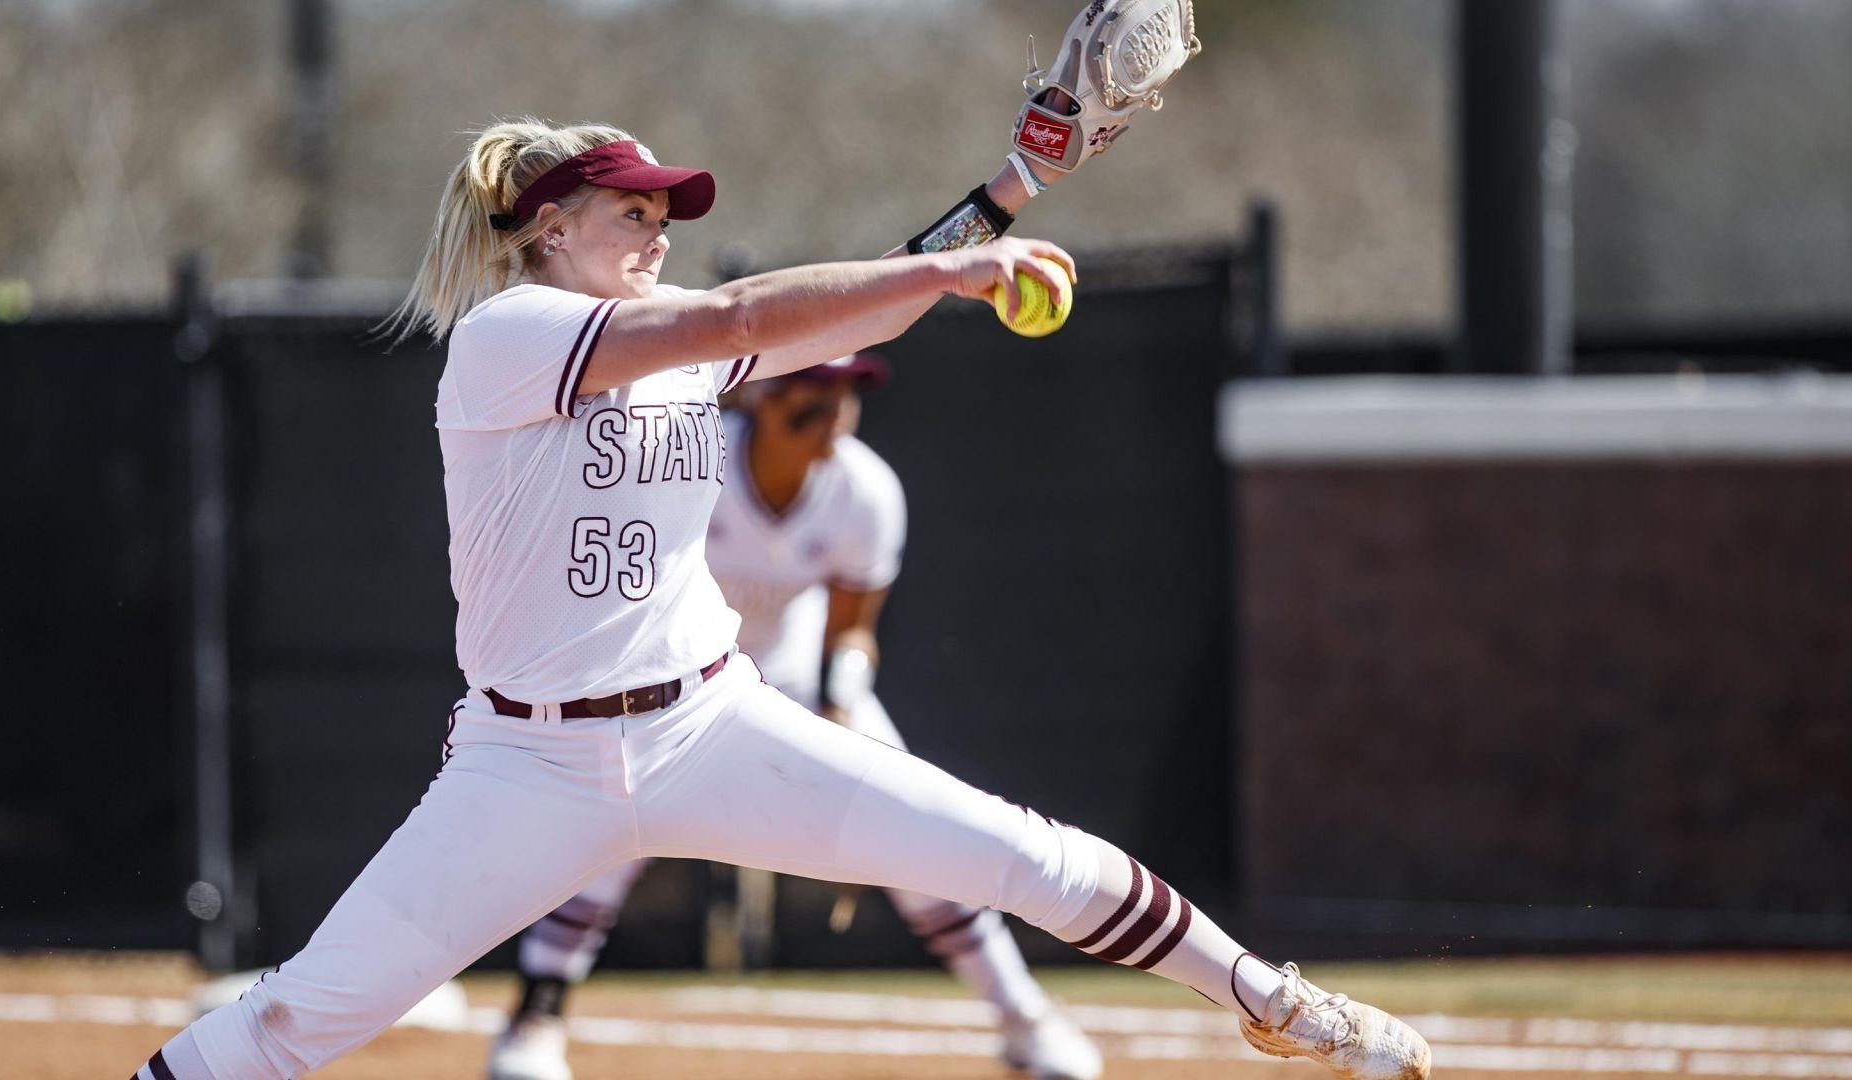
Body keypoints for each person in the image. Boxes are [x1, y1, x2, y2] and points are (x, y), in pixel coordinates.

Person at [131, 116, 1430, 1080]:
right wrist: (938, 275)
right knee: (302, 1021)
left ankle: (1276, 1004)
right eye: (628, 211)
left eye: (662, 213)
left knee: (1015, 852)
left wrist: (1001, 194)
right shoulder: (507, 333)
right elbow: (753, 309)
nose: (656, 229)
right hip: (524, 762)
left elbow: (836, 310)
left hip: (709, 726)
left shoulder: (679, 337)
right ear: (544, 229)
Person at [488, 354, 1103, 1080]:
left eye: (844, 391)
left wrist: (841, 707)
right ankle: (533, 1022)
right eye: (812, 388)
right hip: (672, 680)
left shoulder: (865, 491)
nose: (833, 408)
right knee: (602, 839)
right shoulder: (692, 464)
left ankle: (1023, 1020)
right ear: (762, 395)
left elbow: (852, 630)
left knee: (923, 832)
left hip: (794, 682)